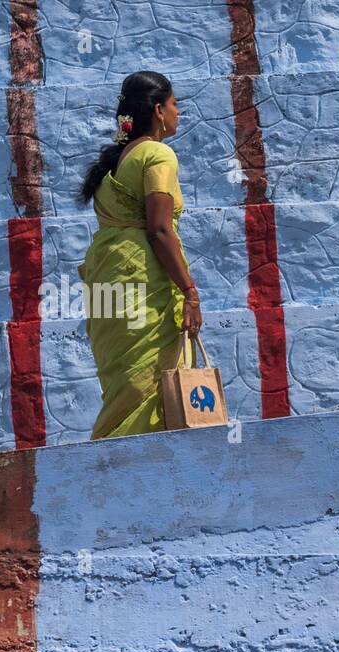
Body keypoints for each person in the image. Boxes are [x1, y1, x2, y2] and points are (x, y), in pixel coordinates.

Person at [76, 70, 202, 439]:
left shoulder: (112, 164)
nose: (179, 112)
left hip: (106, 284)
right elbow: (160, 230)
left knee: (123, 383)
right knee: (154, 382)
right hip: (144, 285)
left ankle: (110, 456)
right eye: (175, 104)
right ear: (159, 110)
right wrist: (190, 292)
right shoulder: (157, 155)